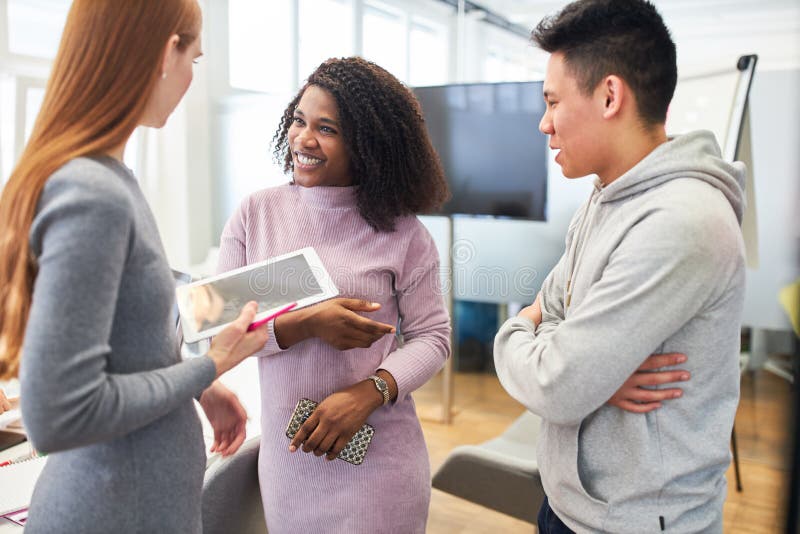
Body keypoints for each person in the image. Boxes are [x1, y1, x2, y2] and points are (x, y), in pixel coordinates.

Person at [0, 1, 269, 532]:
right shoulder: (92, 192)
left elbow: (123, 343)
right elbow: (62, 414)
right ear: (168, 52)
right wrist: (208, 365)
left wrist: (197, 385)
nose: (192, 72)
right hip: (110, 509)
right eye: (195, 56)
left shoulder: (110, 178)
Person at [493, 1, 746, 532]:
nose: (544, 123)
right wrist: (589, 371)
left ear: (610, 95)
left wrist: (517, 329)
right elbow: (559, 322)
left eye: (553, 101)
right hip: (574, 502)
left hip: (634, 521)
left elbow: (558, 383)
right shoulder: (606, 195)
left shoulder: (680, 220)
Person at [218, 56, 451, 532]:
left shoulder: (404, 233)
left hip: (381, 464)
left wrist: (370, 391)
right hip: (292, 463)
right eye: (299, 121)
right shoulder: (256, 215)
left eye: (327, 129)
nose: (304, 139)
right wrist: (306, 323)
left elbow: (434, 337)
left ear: (366, 144)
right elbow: (220, 332)